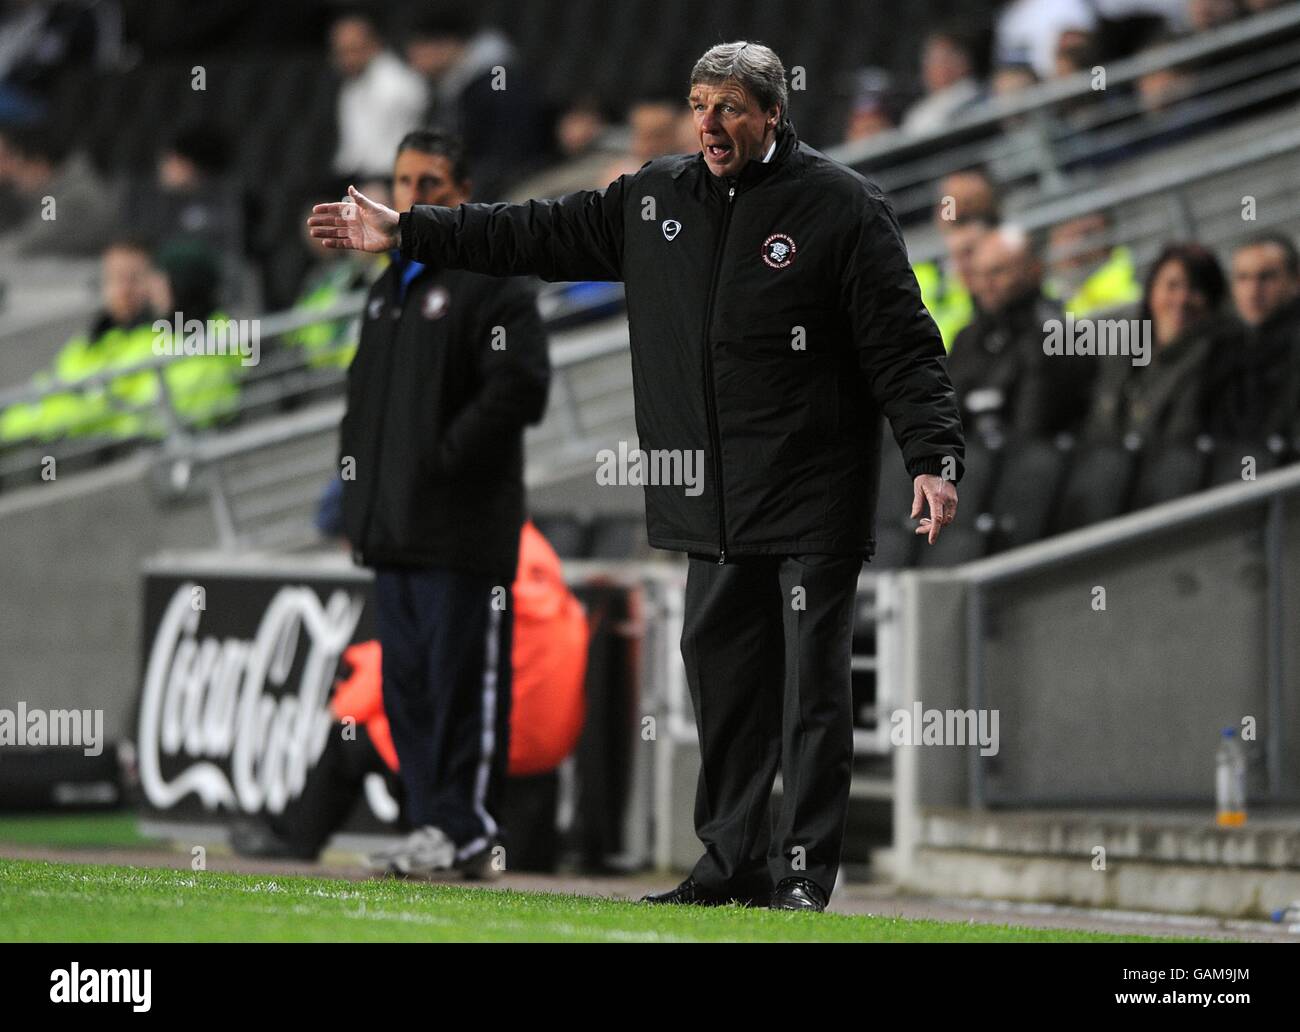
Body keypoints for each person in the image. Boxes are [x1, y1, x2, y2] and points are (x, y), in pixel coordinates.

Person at [309, 41, 965, 912]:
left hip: (811, 489)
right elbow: (530, 232)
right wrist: (410, 230)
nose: (711, 123)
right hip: (709, 496)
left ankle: (804, 875)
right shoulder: (655, 197)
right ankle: (731, 865)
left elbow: (903, 344)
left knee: (811, 693)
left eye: (730, 106)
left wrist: (932, 455)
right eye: (700, 104)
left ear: (773, 113)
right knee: (723, 686)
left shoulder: (842, 207)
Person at [335, 129, 551, 877]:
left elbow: (521, 387)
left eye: (430, 184)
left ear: (462, 195)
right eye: (402, 182)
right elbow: (365, 409)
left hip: (461, 532)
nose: (412, 197)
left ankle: (464, 829)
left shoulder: (492, 279)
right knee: (410, 692)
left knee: (462, 687)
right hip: (394, 530)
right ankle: (433, 827)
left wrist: (441, 463)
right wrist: (355, 500)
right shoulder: (387, 289)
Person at [229, 520, 588, 870]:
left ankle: (295, 840)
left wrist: (349, 690)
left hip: (489, 741)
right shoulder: (535, 550)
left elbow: (424, 663)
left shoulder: (461, 547)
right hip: (545, 749)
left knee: (354, 732)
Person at [1084, 241, 1241, 444]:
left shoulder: (1220, 357)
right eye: (1172, 286)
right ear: (1151, 290)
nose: (1182, 299)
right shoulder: (1120, 353)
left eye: (1195, 288)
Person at [948, 225, 1093, 438]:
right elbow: (945, 418)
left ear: (1034, 270)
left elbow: (1031, 432)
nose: (986, 284)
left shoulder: (1057, 337)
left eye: (998, 272)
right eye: (979, 274)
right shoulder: (967, 338)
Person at [1206, 233, 1300, 440]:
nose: (1253, 291)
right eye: (1243, 278)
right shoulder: (1225, 349)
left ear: (1295, 280)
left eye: (1266, 277)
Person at [330, 8, 428, 179]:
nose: (346, 60)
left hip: (393, 176)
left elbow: (387, 158)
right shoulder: (351, 86)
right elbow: (352, 154)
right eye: (340, 52)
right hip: (358, 175)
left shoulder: (399, 85)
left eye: (353, 50)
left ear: (374, 44)